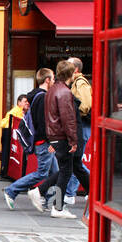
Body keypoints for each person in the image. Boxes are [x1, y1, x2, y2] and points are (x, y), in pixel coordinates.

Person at [28, 59, 79, 218]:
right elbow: (68, 118)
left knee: (64, 170)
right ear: (71, 74)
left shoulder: (52, 90)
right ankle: (56, 207)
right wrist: (73, 139)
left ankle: (43, 194)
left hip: (54, 136)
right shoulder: (64, 92)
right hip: (62, 136)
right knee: (66, 172)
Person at [3, 68, 56, 210]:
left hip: (41, 140)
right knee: (42, 173)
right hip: (43, 141)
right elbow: (43, 122)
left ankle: (50, 201)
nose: (54, 81)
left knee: (56, 172)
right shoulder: (43, 97)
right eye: (53, 79)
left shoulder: (34, 95)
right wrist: (51, 141)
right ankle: (12, 190)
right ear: (47, 80)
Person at [65, 56, 92, 203]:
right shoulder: (73, 83)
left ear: (75, 69)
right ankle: (67, 195)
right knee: (74, 163)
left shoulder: (80, 83)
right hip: (77, 126)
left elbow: (86, 105)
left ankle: (69, 194)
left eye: (68, 65)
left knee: (75, 162)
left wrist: (73, 111)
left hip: (83, 125)